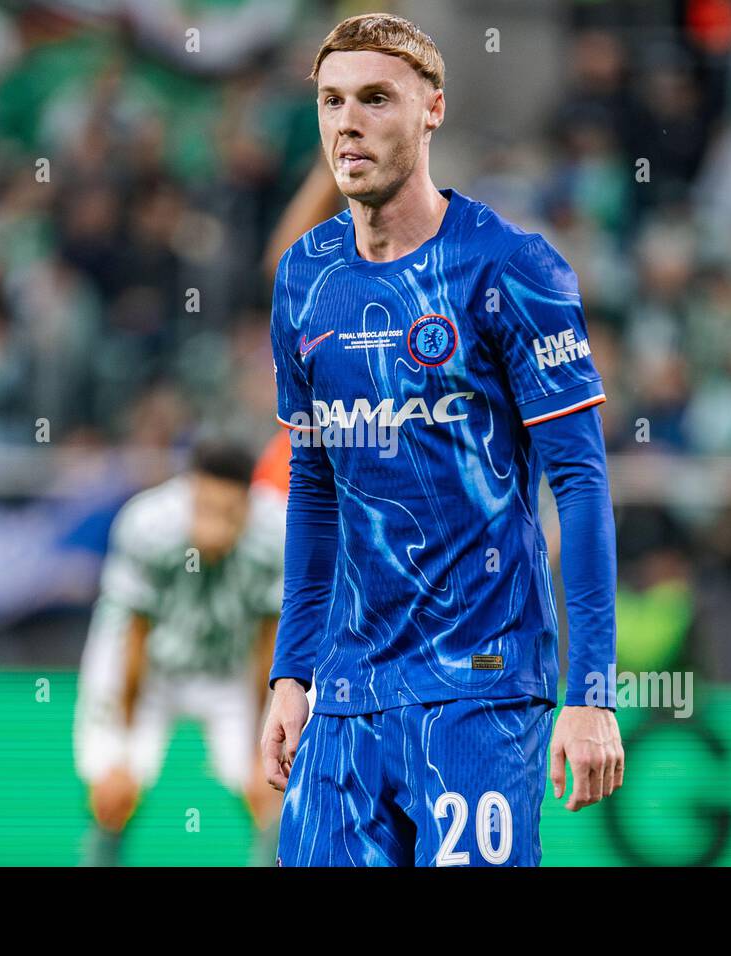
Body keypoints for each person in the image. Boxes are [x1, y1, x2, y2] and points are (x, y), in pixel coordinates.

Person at [261, 13, 622, 867]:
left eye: (376, 99)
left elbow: (581, 481)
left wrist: (594, 692)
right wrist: (291, 674)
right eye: (332, 101)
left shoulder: (511, 268)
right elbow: (313, 486)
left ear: (433, 110)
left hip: (482, 686)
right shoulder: (305, 279)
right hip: (347, 691)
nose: (348, 121)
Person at [74, 438, 284, 865]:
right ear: (189, 492)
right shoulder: (146, 524)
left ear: (248, 504)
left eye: (228, 513)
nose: (214, 527)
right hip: (153, 669)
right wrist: (122, 749)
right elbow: (130, 637)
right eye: (205, 509)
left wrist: (256, 747)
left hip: (232, 668)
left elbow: (271, 642)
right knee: (114, 794)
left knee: (271, 790)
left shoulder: (278, 532)